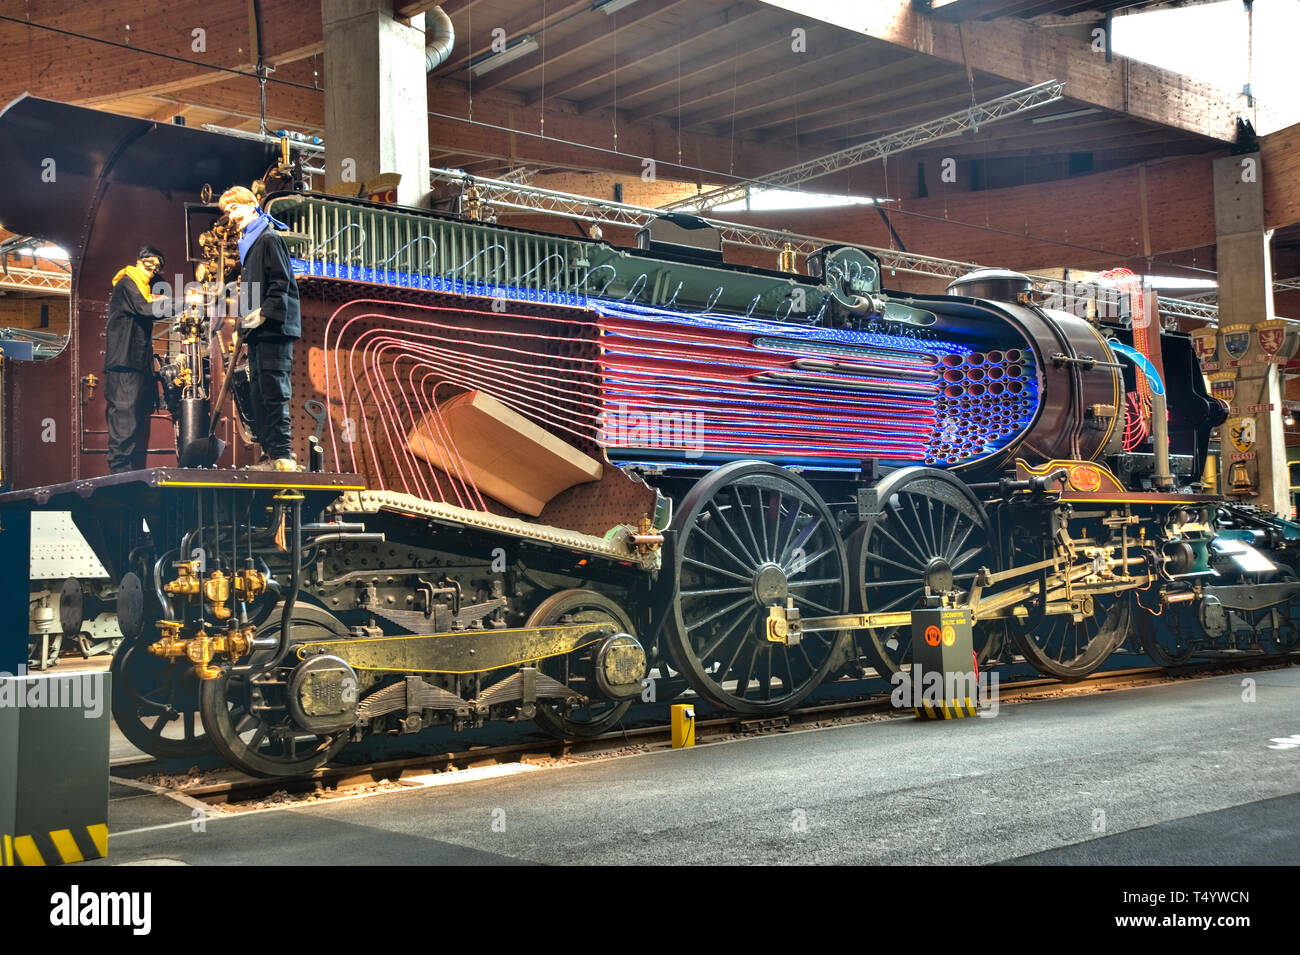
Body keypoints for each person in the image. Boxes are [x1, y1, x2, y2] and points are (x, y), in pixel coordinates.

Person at [218, 185, 301, 471]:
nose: (232, 215)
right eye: (228, 211)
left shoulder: (268, 238)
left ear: (252, 204)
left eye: (236, 208)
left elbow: (282, 284)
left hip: (274, 330)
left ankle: (282, 456)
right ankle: (270, 455)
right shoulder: (251, 244)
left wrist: (262, 315)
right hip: (258, 333)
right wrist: (245, 321)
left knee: (273, 390)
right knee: (259, 393)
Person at [105, 246, 167, 473]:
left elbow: (147, 303)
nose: (154, 269)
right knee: (124, 420)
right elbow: (146, 308)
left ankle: (125, 472)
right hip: (125, 364)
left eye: (158, 266)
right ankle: (120, 475)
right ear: (140, 260)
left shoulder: (138, 286)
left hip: (134, 364)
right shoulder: (128, 281)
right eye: (151, 263)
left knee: (130, 421)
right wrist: (184, 301)